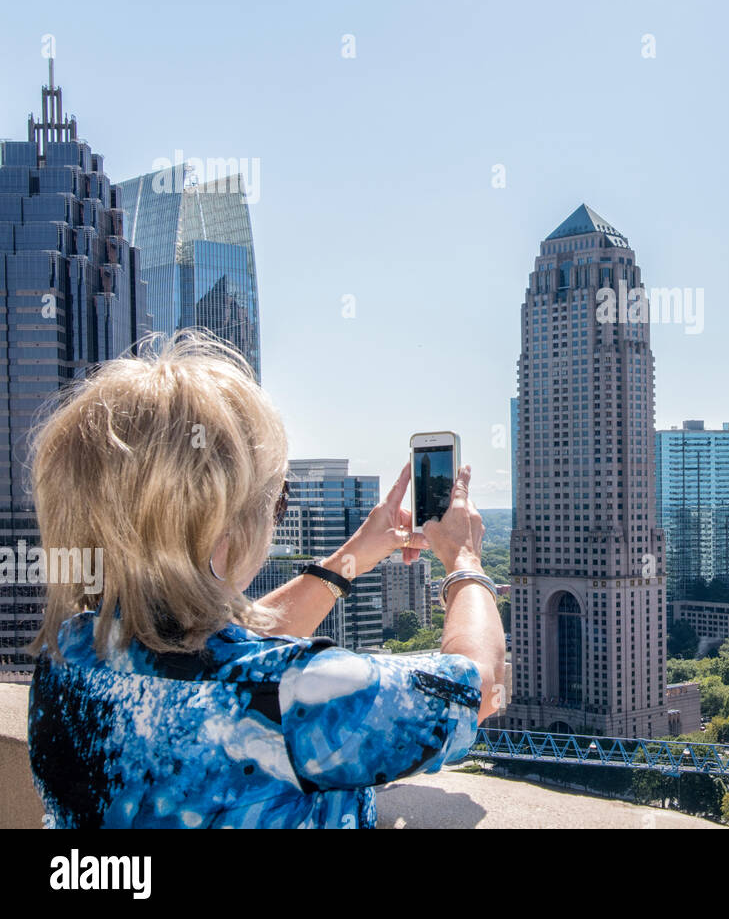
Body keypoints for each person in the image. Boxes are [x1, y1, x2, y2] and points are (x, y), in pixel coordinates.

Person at [25, 330, 506, 828]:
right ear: (224, 521)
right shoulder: (298, 695)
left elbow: (225, 653)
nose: (275, 516)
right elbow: (480, 687)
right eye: (277, 497)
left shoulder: (69, 654)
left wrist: (353, 557)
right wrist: (465, 561)